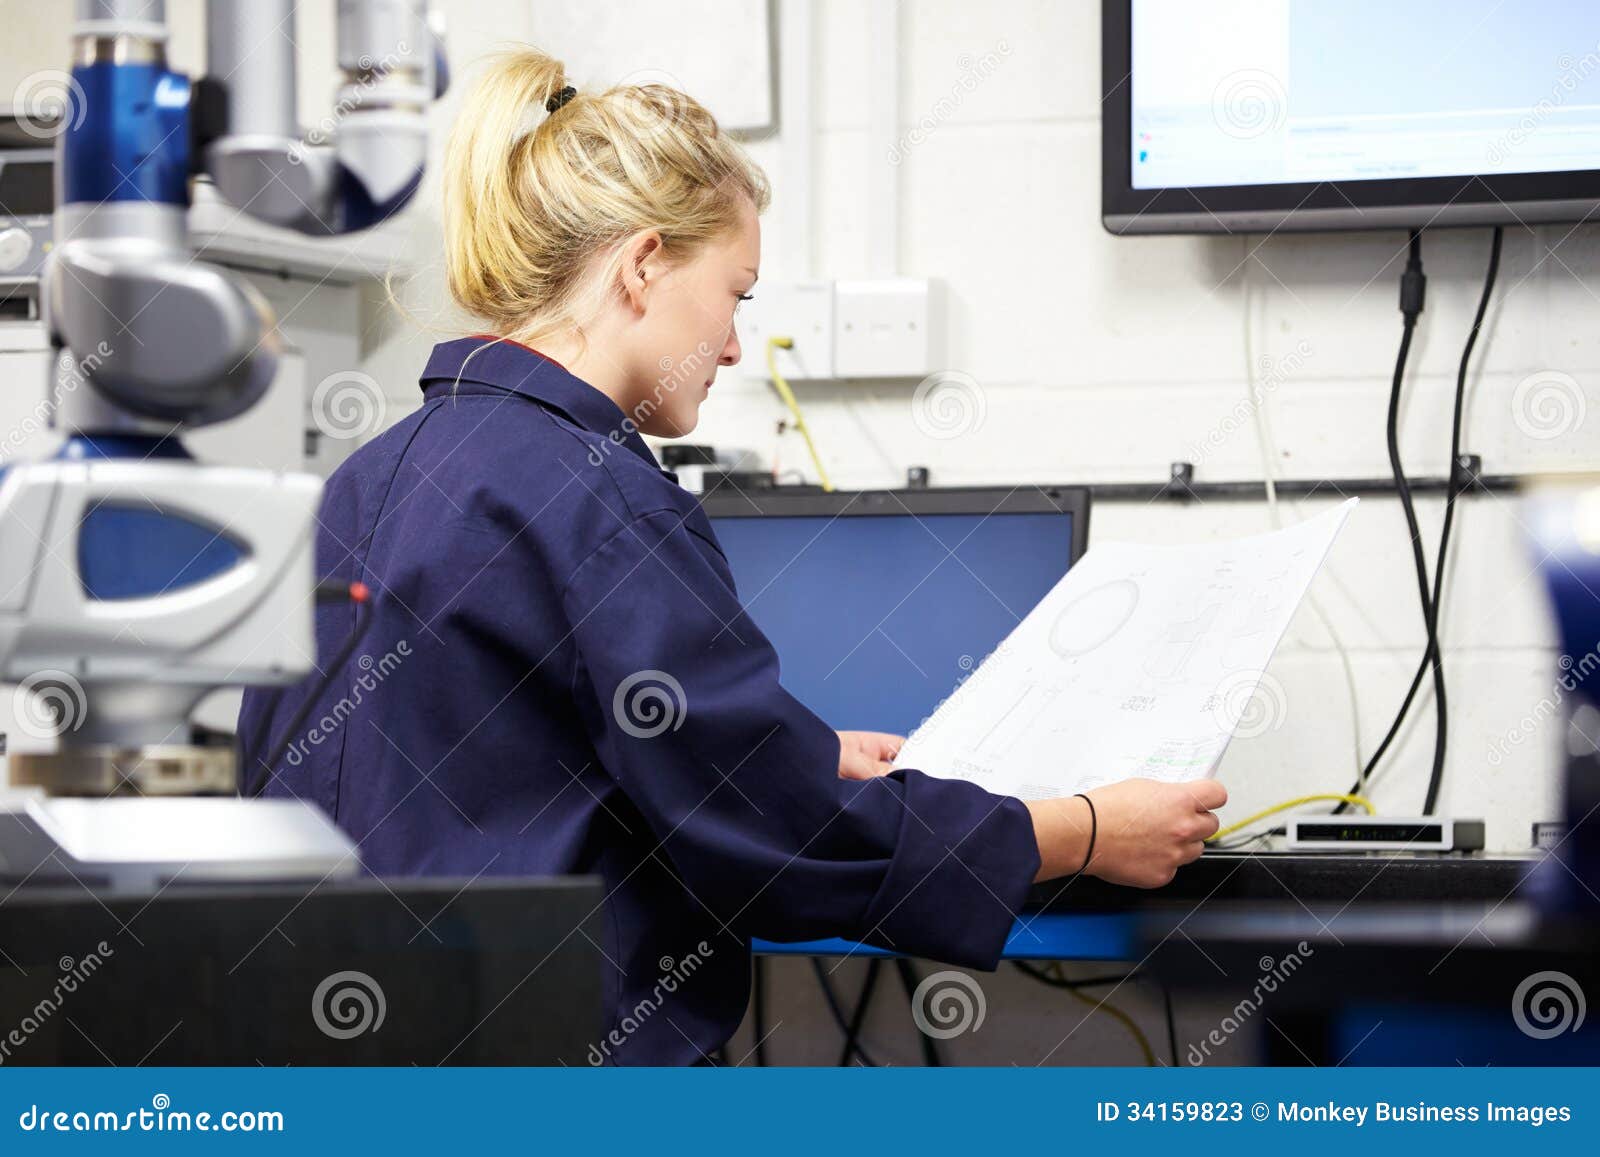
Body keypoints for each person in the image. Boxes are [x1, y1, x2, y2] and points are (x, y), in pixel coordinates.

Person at [239, 48, 1226, 1065]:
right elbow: (785, 842)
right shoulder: (601, 499)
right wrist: (1082, 829)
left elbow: (484, 766)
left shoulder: (359, 481)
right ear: (642, 264)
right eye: (737, 296)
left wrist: (787, 751)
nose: (732, 348)